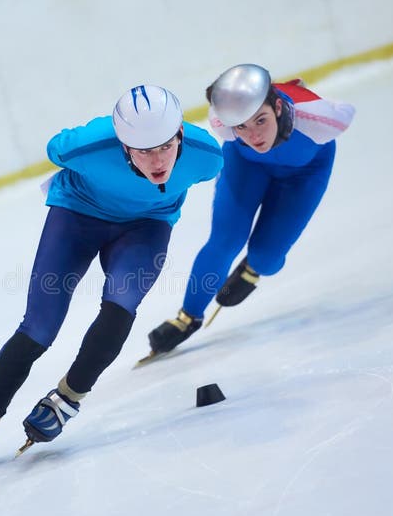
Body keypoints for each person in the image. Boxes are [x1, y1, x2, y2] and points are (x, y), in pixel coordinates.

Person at [0, 84, 223, 472]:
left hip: (146, 227)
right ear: (122, 145)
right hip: (77, 217)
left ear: (181, 136)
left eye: (166, 147)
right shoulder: (86, 146)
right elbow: (55, 147)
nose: (157, 160)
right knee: (38, 327)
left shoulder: (206, 157)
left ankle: (67, 398)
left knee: (121, 304)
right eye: (143, 150)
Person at [147, 63, 355, 357]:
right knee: (225, 240)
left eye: (260, 120)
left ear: (279, 108)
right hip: (247, 167)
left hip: (304, 174)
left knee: (267, 257)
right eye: (241, 126)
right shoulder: (221, 121)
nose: (254, 135)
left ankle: (253, 270)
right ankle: (187, 317)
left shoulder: (323, 117)